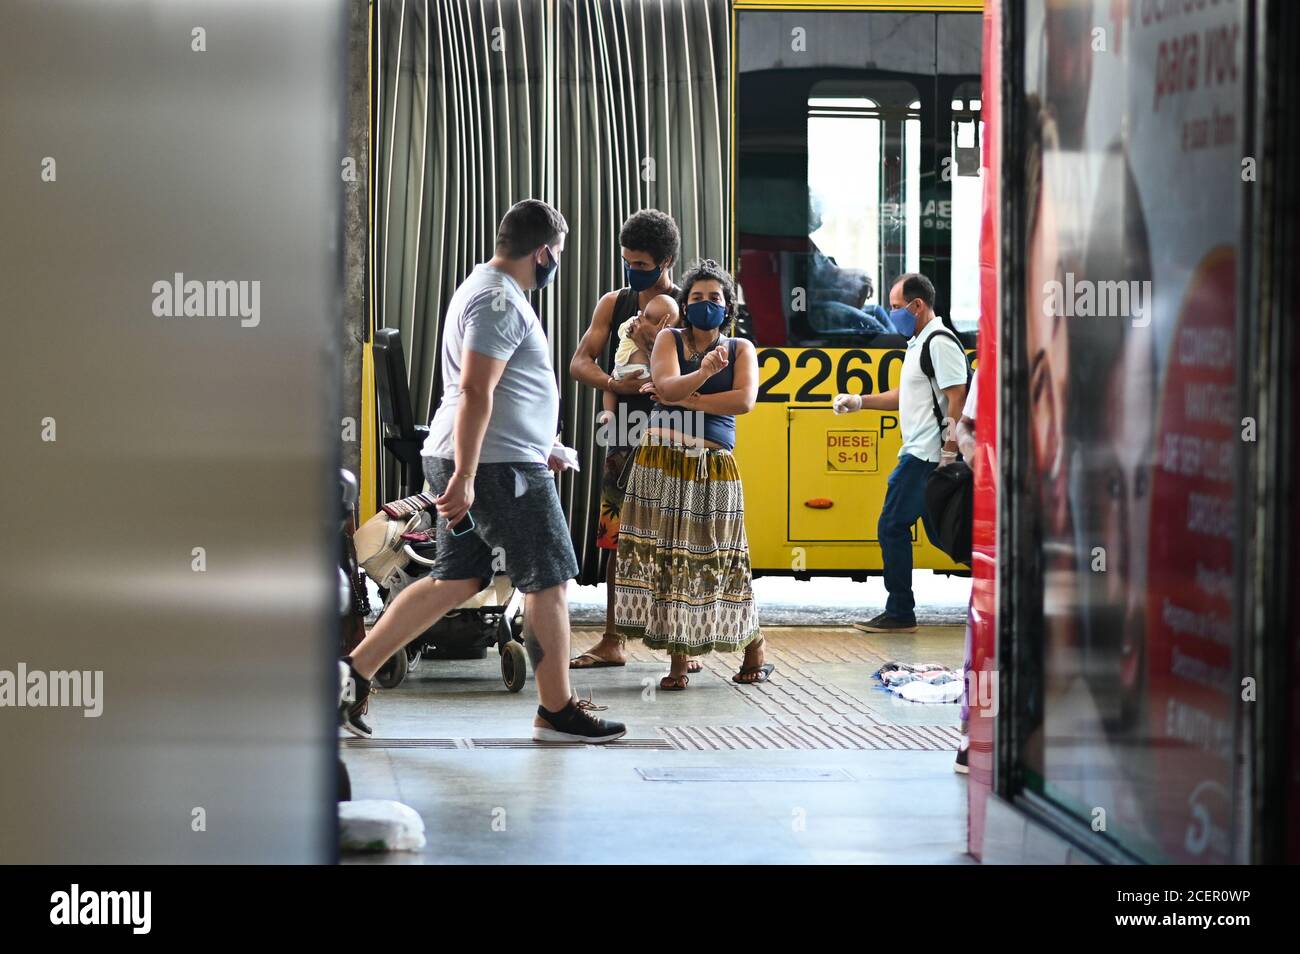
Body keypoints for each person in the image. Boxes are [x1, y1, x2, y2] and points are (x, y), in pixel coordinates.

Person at [341, 198, 626, 744]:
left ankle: (350, 677)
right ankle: (556, 710)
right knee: (548, 581)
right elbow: (476, 389)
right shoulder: (499, 300)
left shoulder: (484, 287)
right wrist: (469, 475)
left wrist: (543, 443)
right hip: (496, 468)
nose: (555, 263)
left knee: (455, 579)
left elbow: (503, 389)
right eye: (558, 254)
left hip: (493, 457)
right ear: (544, 251)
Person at [614, 259, 770, 690]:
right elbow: (664, 388)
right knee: (667, 560)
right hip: (659, 462)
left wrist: (692, 400)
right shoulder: (668, 338)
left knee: (721, 558)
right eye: (697, 297)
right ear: (685, 304)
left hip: (712, 467)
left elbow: (743, 401)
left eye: (714, 298)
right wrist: (701, 377)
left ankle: (753, 644)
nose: (705, 304)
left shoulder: (742, 349)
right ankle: (678, 662)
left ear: (728, 307)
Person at [567, 210, 683, 670]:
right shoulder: (614, 303)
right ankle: (612, 639)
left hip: (675, 436)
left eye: (641, 264)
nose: (633, 271)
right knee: (615, 538)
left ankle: (678, 642)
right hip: (622, 436)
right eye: (627, 261)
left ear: (666, 260)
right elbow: (580, 362)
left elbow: (699, 369)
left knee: (672, 540)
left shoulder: (686, 304)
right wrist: (616, 385)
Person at [833, 272, 968, 633]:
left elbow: (958, 397)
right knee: (945, 535)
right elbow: (904, 396)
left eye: (896, 307)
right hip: (922, 454)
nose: (892, 314)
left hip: (925, 456)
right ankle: (1005, 584)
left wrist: (950, 451)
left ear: (917, 305)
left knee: (892, 526)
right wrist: (859, 401)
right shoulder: (919, 342)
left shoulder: (939, 342)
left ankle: (900, 612)